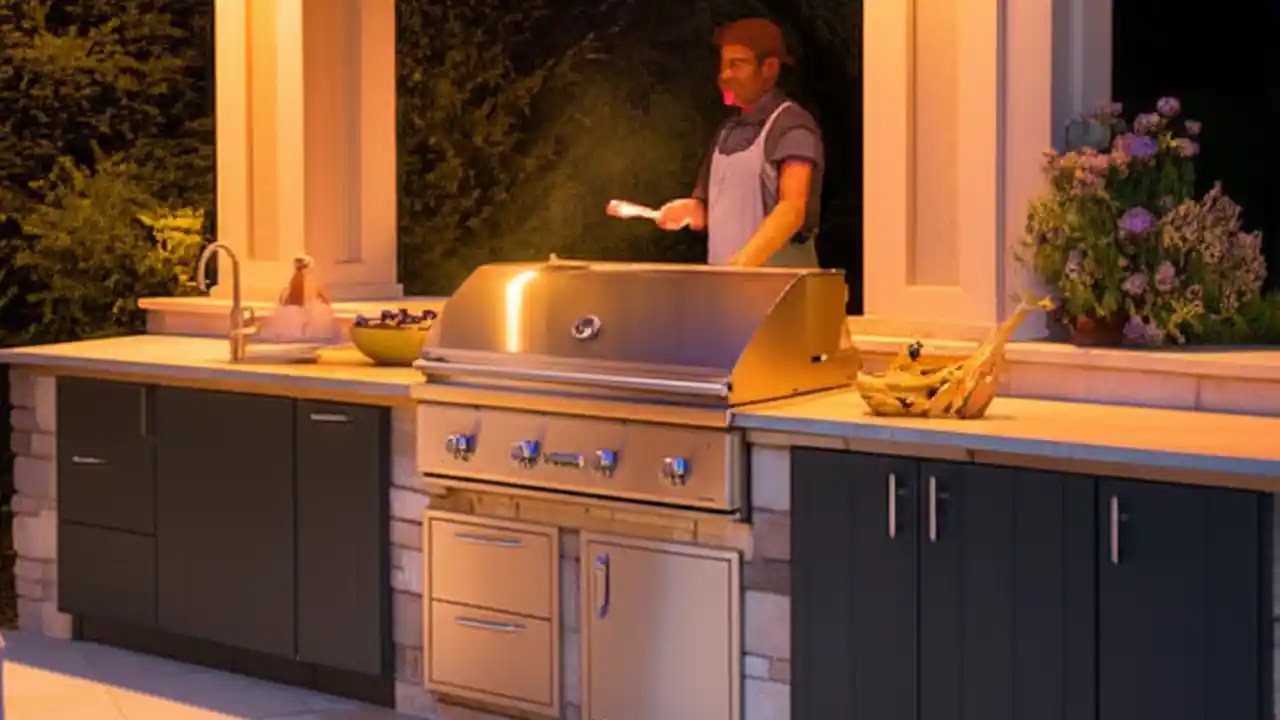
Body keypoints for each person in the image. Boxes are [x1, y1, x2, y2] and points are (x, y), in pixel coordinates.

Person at [657, 17, 824, 268]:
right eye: (723, 65)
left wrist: (742, 265)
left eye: (736, 65)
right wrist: (688, 210)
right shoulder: (727, 132)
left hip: (780, 292)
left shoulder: (792, 125)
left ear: (769, 68)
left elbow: (792, 209)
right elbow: (709, 210)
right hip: (730, 290)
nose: (724, 75)